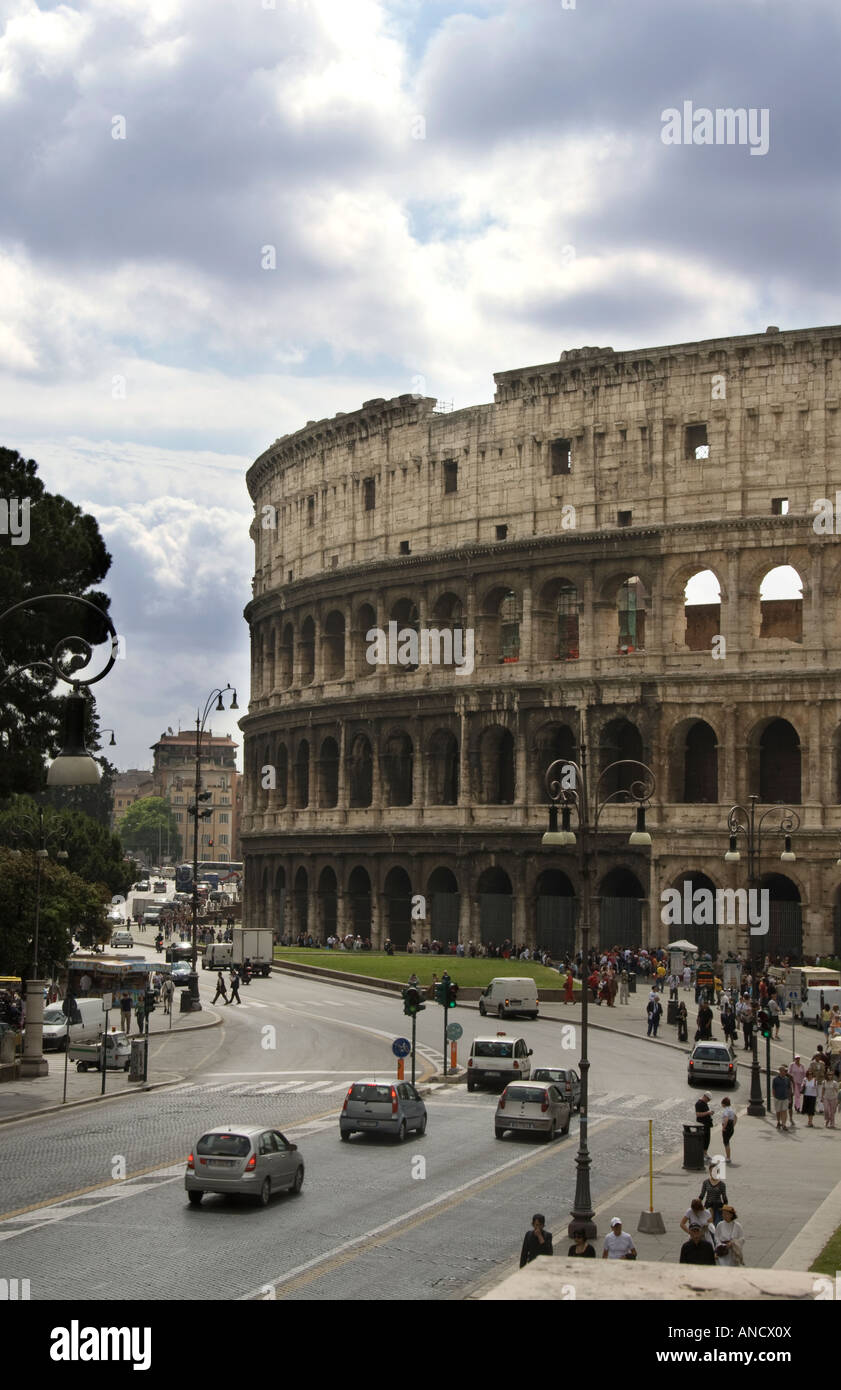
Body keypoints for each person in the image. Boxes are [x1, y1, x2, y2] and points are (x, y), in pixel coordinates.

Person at [773, 1065, 793, 1130]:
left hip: (785, 1098)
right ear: (780, 1071)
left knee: (784, 1111)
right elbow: (773, 1089)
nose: (785, 1072)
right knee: (778, 1111)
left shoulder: (787, 1079)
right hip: (778, 1097)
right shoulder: (775, 1079)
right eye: (784, 1071)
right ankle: (778, 1122)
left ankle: (784, 1124)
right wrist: (774, 1097)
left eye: (785, 1071)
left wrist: (789, 1097)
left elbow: (789, 1088)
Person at [720, 1096, 737, 1161]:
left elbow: (726, 1119)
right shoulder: (731, 1109)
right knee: (727, 1142)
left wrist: (724, 1127)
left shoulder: (726, 1110)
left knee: (726, 1142)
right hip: (731, 1127)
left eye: (722, 1103)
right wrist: (733, 1125)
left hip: (727, 1127)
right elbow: (736, 1117)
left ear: (724, 1104)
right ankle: (728, 1156)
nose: (721, 1105)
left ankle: (728, 1157)